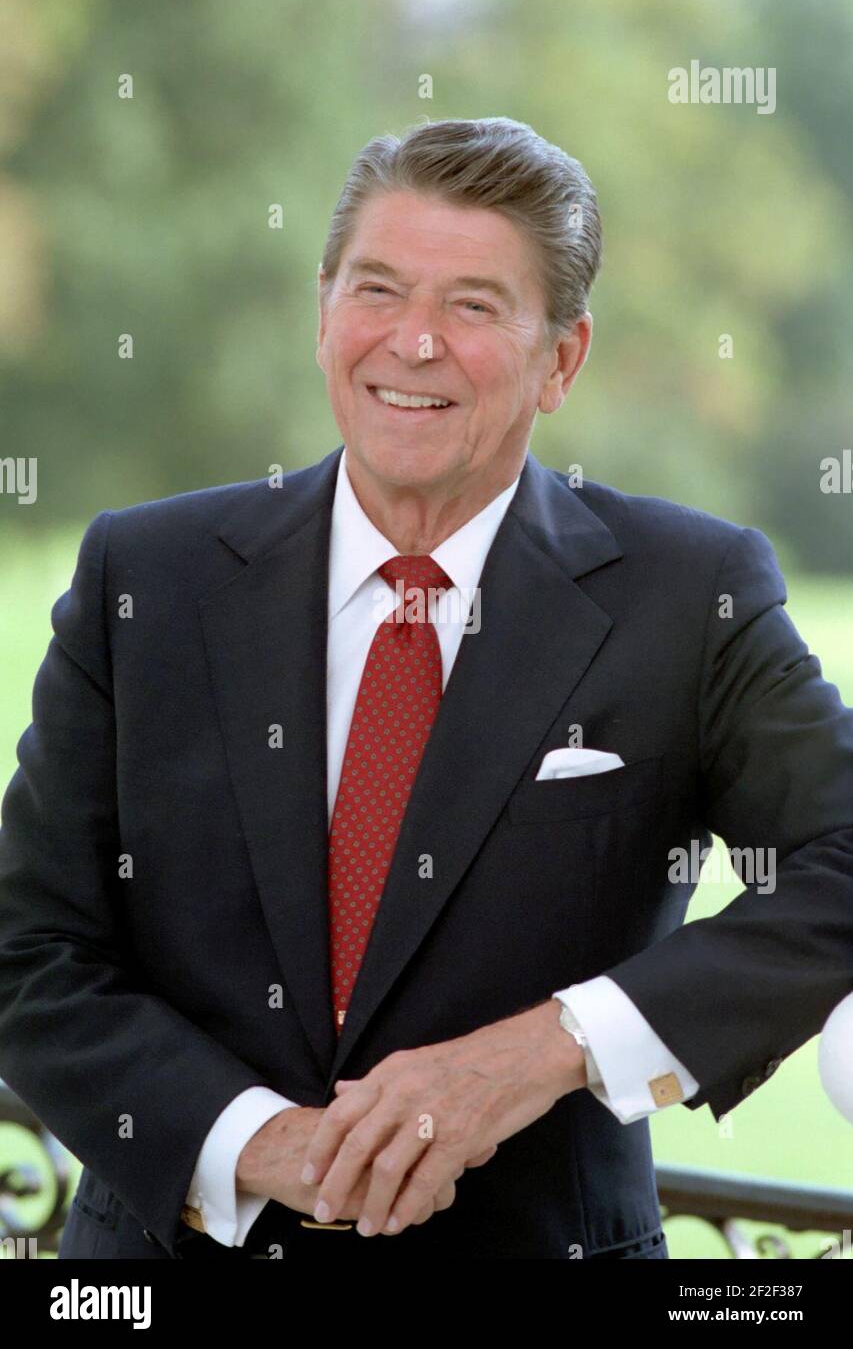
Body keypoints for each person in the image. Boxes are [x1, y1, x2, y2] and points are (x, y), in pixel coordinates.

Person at [1, 117, 851, 1261]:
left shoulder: (685, 596)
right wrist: (258, 1143)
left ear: (561, 358)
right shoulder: (141, 577)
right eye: (379, 289)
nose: (411, 342)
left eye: (473, 306)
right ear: (322, 311)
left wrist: (552, 1045)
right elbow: (28, 943)